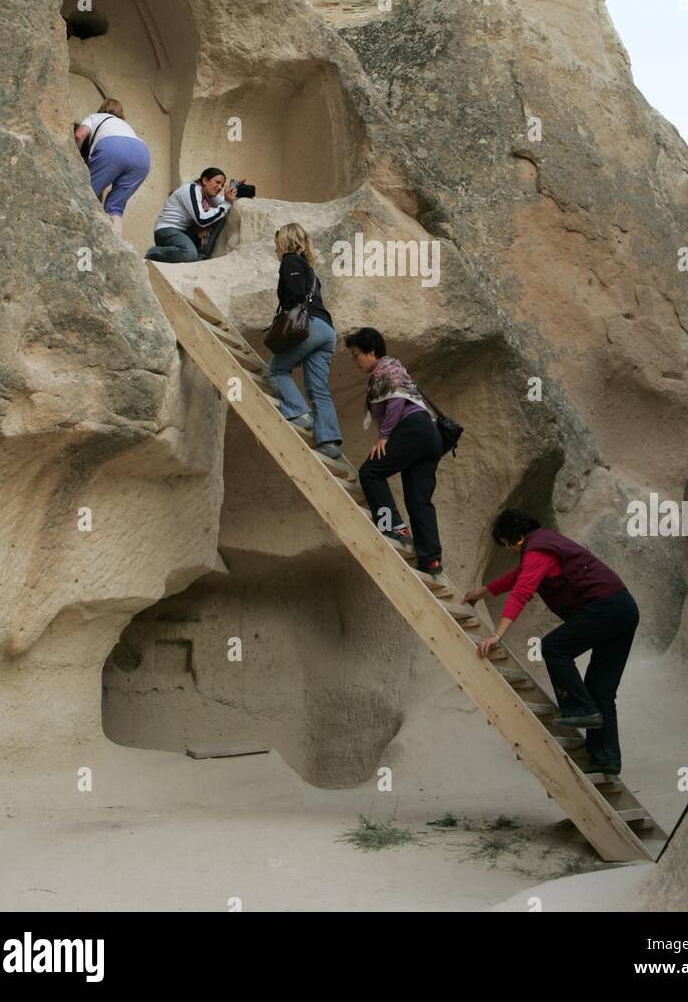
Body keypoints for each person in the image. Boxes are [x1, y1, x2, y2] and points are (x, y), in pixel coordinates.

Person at [464, 509, 639, 776]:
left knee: (554, 647)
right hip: (624, 609)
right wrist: (482, 591)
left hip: (605, 607)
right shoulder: (546, 542)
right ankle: (606, 760)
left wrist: (497, 635)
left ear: (516, 538)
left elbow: (522, 592)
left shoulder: (537, 549)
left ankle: (580, 709)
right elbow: (517, 577)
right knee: (600, 689)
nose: (510, 550)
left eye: (507, 544)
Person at [345, 327, 444, 578]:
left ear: (371, 351)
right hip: (428, 436)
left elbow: (397, 398)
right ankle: (431, 560)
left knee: (370, 473)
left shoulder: (387, 368)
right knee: (418, 500)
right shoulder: (388, 371)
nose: (354, 360)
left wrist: (384, 435)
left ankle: (393, 526)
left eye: (356, 354)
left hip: (414, 430)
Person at [266, 224, 343, 461]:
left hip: (310, 327)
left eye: (277, 242)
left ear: (285, 242)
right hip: (326, 330)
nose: (275, 247)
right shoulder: (310, 269)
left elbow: (296, 295)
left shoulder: (290, 262)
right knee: (318, 389)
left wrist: (285, 321)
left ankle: (299, 413)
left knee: (277, 370)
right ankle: (329, 442)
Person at [74, 98, 150, 236]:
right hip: (142, 155)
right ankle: (118, 248)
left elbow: (79, 135)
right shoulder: (125, 125)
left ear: (102, 108)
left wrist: (74, 157)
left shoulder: (94, 117)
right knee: (115, 208)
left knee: (83, 195)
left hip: (113, 147)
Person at [145, 168, 242, 263]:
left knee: (220, 216)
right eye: (217, 182)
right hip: (166, 231)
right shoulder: (192, 189)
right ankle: (153, 252)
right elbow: (202, 219)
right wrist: (226, 204)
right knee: (188, 253)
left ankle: (201, 255)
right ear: (205, 180)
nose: (220, 187)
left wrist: (236, 189)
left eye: (222, 185)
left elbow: (225, 200)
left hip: (184, 232)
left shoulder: (208, 195)